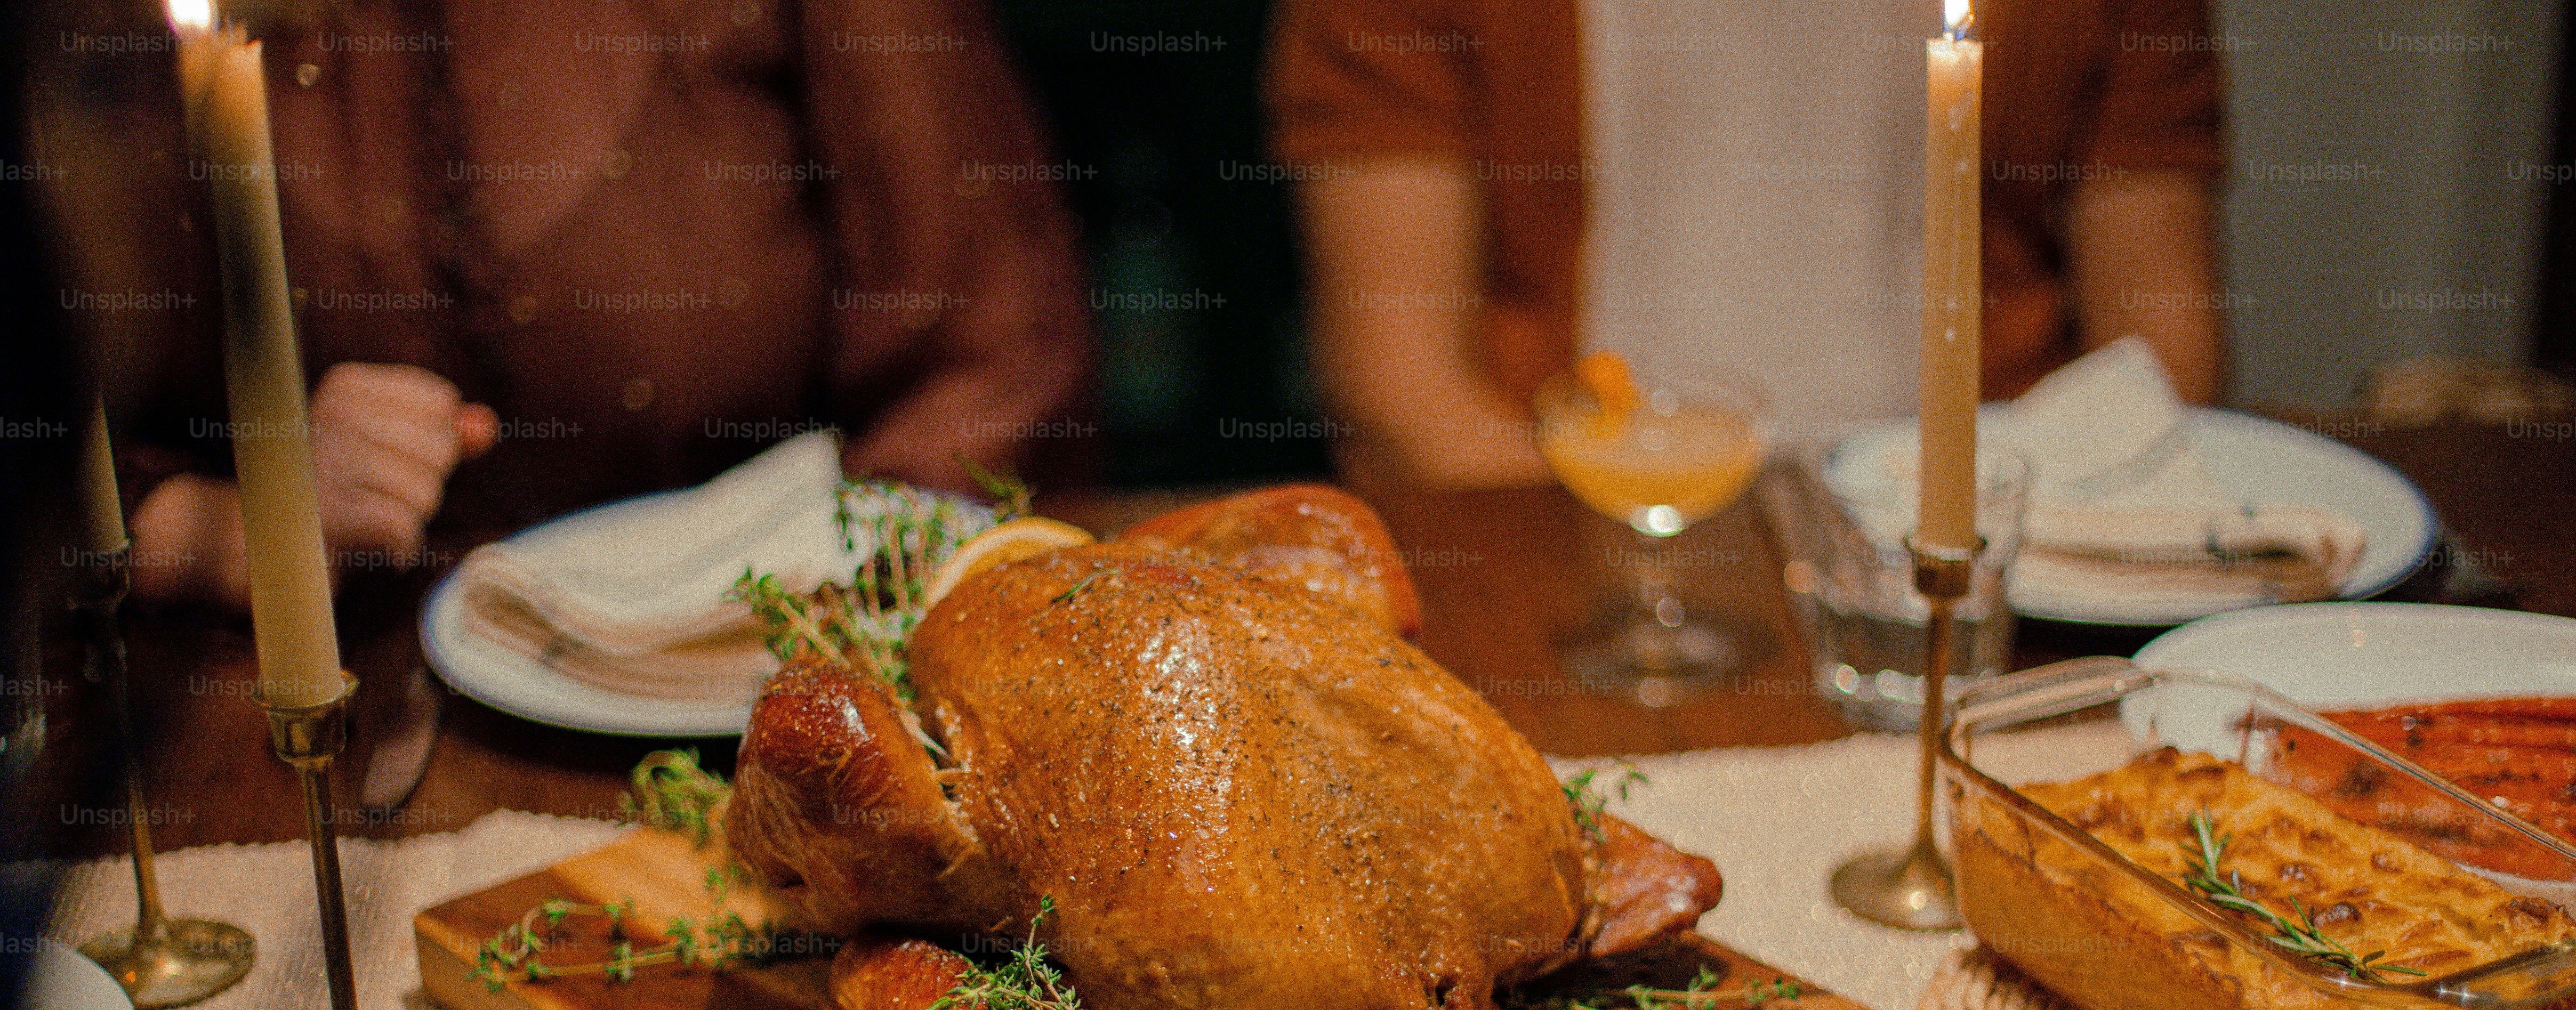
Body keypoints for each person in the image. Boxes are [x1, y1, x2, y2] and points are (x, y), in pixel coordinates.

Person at [80, 0, 1092, 608]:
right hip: (327, 718)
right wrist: (210, 525)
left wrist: (825, 610)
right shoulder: (163, 37)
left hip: (767, 704)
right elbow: (65, 448)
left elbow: (995, 344)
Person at [1267, 0, 2228, 488]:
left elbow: (2163, 346)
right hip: (1577, 537)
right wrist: (1641, 561)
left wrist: (2031, 531)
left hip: (1981, 537)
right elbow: (1393, 368)